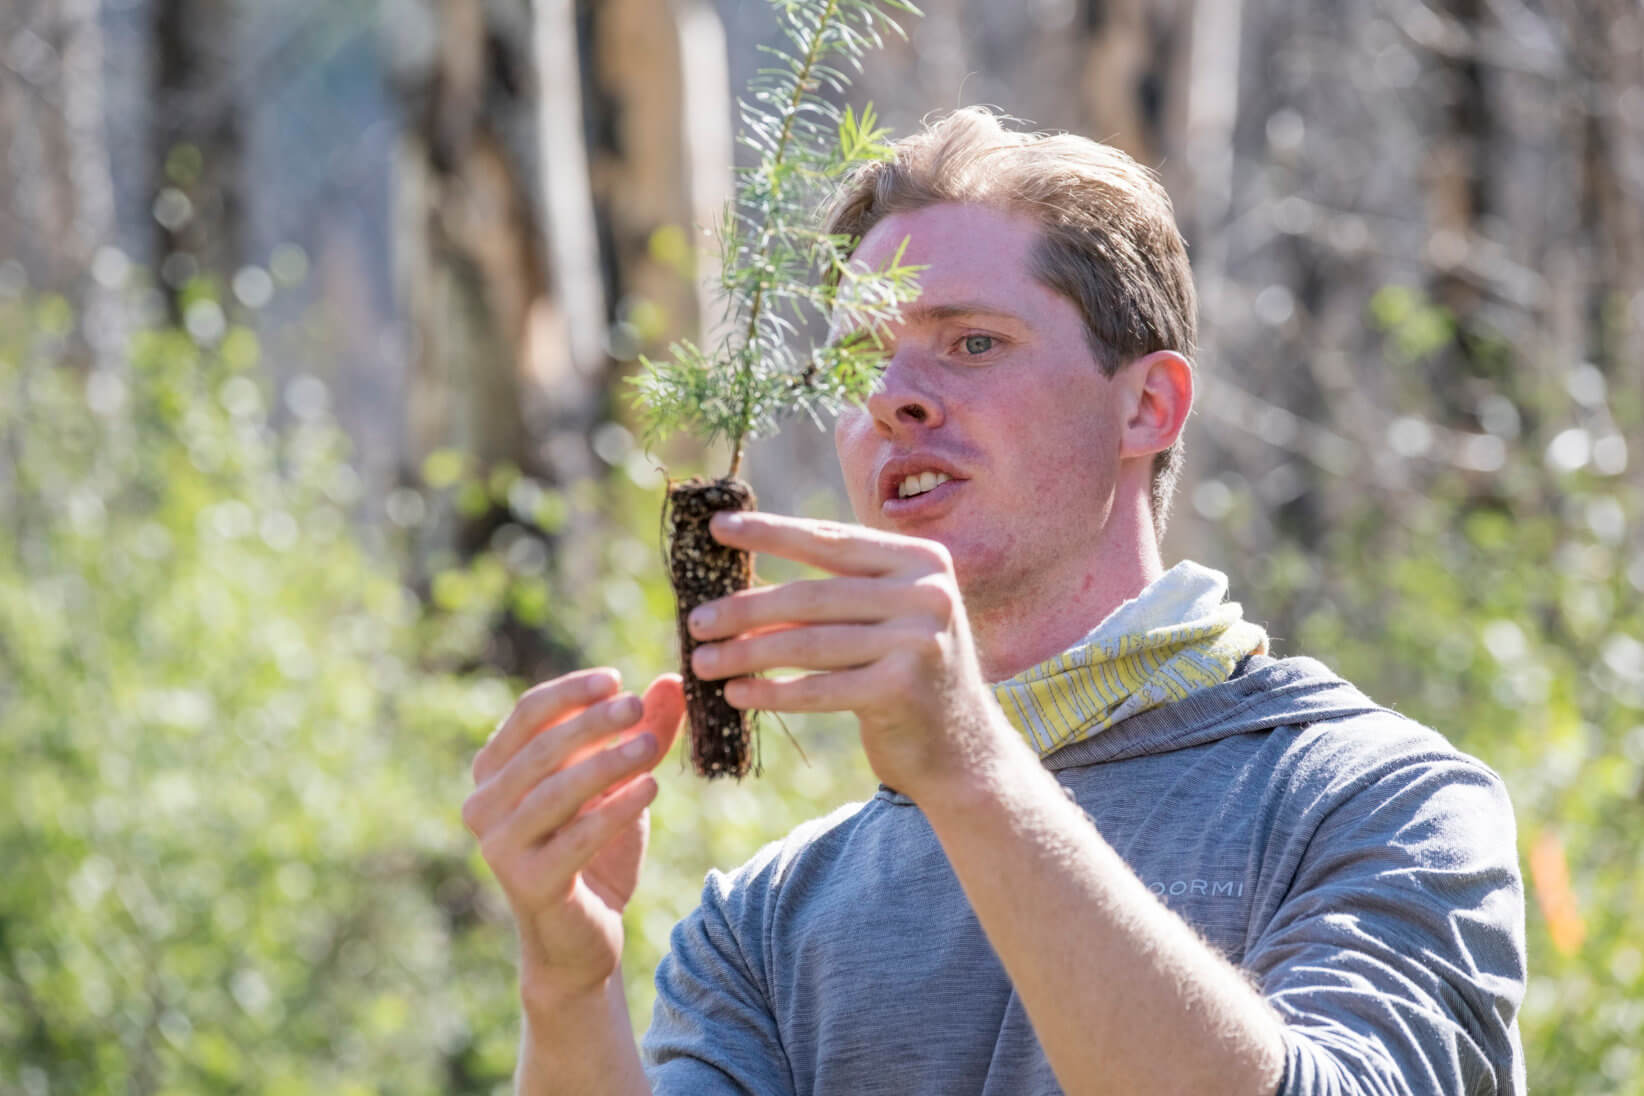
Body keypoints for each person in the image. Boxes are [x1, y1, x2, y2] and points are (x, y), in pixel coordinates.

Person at [462, 107, 1527, 1095]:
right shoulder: (767, 921)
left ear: (1147, 405)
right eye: (858, 368)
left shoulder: (1376, 799)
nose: (892, 399)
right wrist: (567, 988)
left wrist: (971, 766)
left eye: (972, 342)